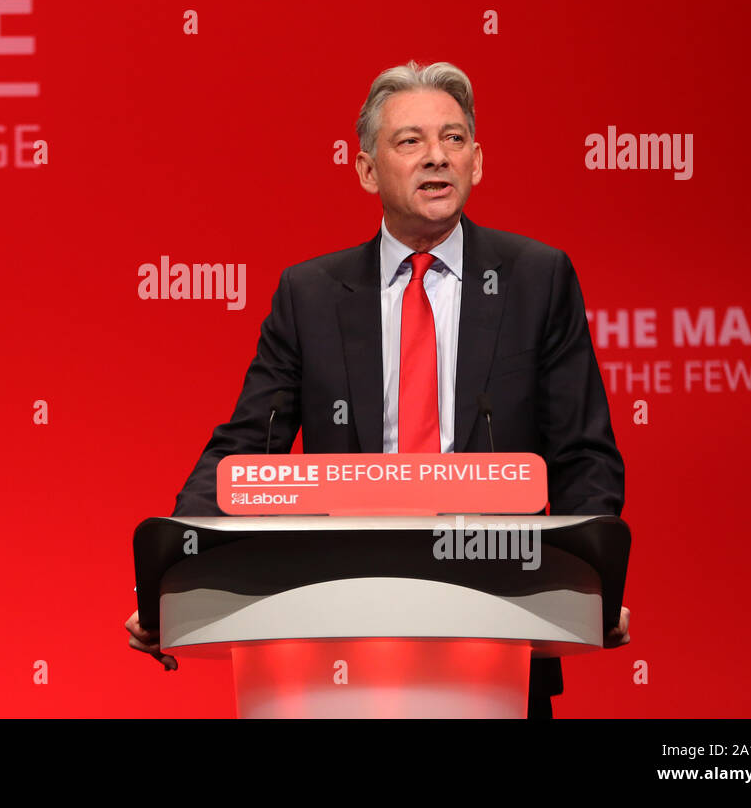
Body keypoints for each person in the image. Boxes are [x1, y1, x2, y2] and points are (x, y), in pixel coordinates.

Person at [125, 60, 631, 717]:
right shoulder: (310, 295)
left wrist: (593, 577)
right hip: (336, 631)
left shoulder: (538, 280)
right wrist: (172, 574)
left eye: (453, 139)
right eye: (410, 141)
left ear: (477, 162)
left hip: (495, 624)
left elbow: (584, 455)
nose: (436, 158)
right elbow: (248, 447)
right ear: (367, 170)